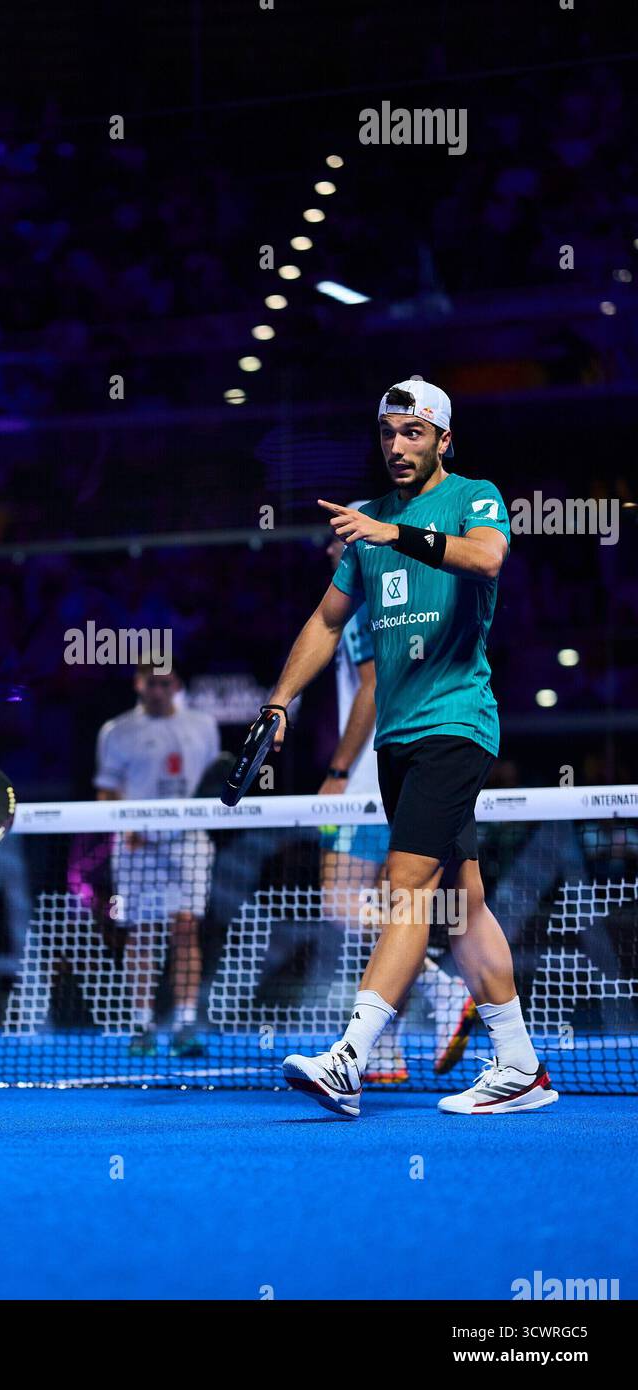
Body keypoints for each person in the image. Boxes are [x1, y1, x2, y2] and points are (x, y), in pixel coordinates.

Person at [268, 377, 558, 1117]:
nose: (398, 447)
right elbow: (328, 623)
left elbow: (488, 559)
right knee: (462, 906)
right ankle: (521, 1066)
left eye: (414, 434)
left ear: (442, 440)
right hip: (398, 740)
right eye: (388, 434)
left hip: (455, 722)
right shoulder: (366, 526)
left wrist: (397, 533)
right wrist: (279, 700)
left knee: (406, 886)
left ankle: (350, 1058)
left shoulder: (471, 496)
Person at [315, 518, 476, 1086]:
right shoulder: (392, 599)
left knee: (345, 903)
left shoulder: (364, 604)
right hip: (396, 771)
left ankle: (437, 984)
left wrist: (337, 771)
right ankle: (388, 1048)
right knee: (393, 904)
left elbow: (371, 687)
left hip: (367, 781)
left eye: (340, 536)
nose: (332, 547)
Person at [94, 666, 220, 1057]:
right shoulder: (116, 731)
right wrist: (125, 825)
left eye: (166, 683)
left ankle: (183, 1023)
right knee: (143, 933)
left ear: (177, 686)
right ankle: (142, 1025)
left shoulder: (204, 725)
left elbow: (214, 781)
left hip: (189, 842)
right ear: (139, 685)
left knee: (186, 929)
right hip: (138, 845)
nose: (159, 691)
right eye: (151, 683)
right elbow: (106, 791)